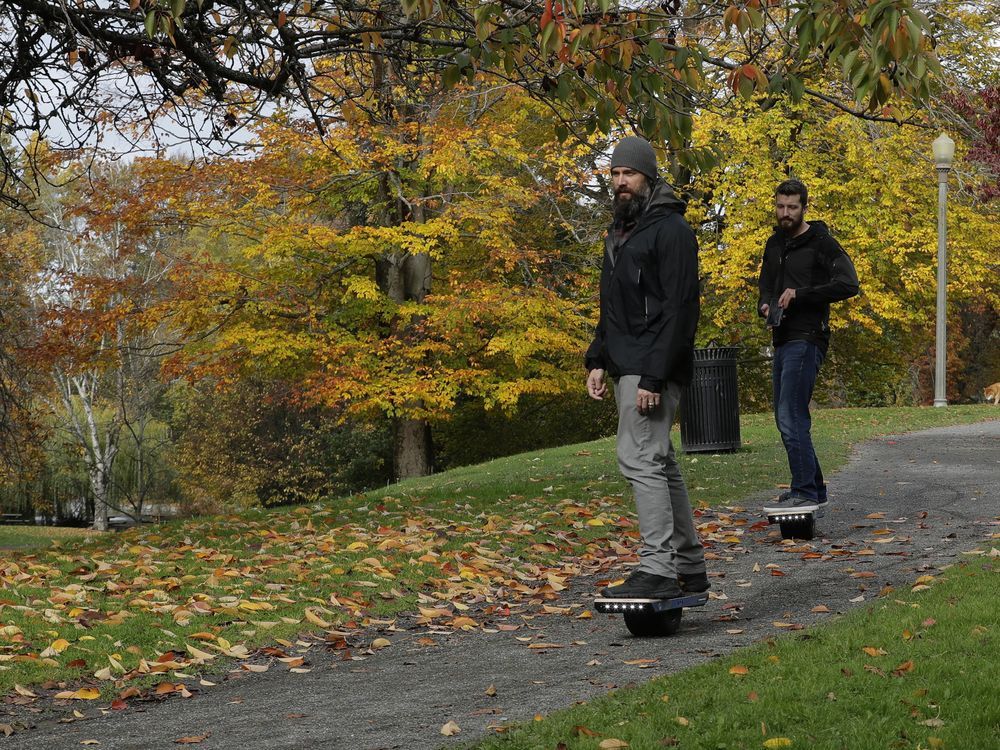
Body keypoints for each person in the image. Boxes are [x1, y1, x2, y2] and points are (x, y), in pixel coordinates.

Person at [585, 136, 708, 599]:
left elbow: (679, 309)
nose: (620, 182)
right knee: (659, 460)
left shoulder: (671, 231)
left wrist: (654, 375)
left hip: (652, 364)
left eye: (629, 174)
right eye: (614, 174)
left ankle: (658, 568)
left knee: (639, 458)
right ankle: (689, 565)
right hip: (628, 362)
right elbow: (613, 306)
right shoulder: (620, 232)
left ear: (648, 178)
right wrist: (598, 357)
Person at [758, 179, 859, 515]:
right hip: (782, 338)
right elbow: (765, 289)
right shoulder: (774, 245)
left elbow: (848, 284)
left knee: (791, 415)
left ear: (804, 207)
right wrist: (765, 305)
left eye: (792, 207)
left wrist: (800, 295)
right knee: (785, 415)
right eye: (780, 206)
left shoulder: (821, 242)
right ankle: (813, 487)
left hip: (808, 337)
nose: (785, 213)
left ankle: (804, 491)